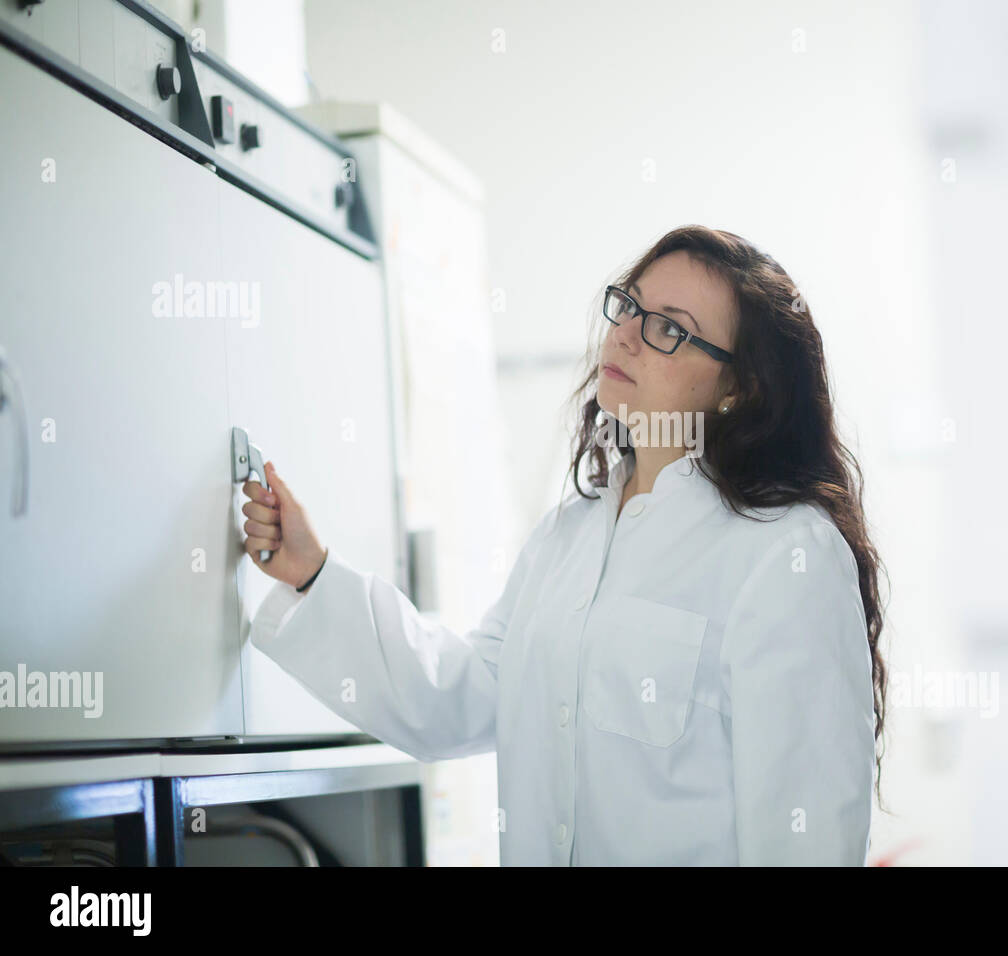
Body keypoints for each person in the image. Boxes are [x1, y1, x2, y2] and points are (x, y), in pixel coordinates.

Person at [241, 225, 889, 866]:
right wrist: (315, 573)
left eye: (669, 328)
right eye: (629, 304)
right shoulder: (566, 536)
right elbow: (454, 700)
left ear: (738, 387)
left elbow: (807, 841)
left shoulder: (786, 553)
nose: (627, 333)